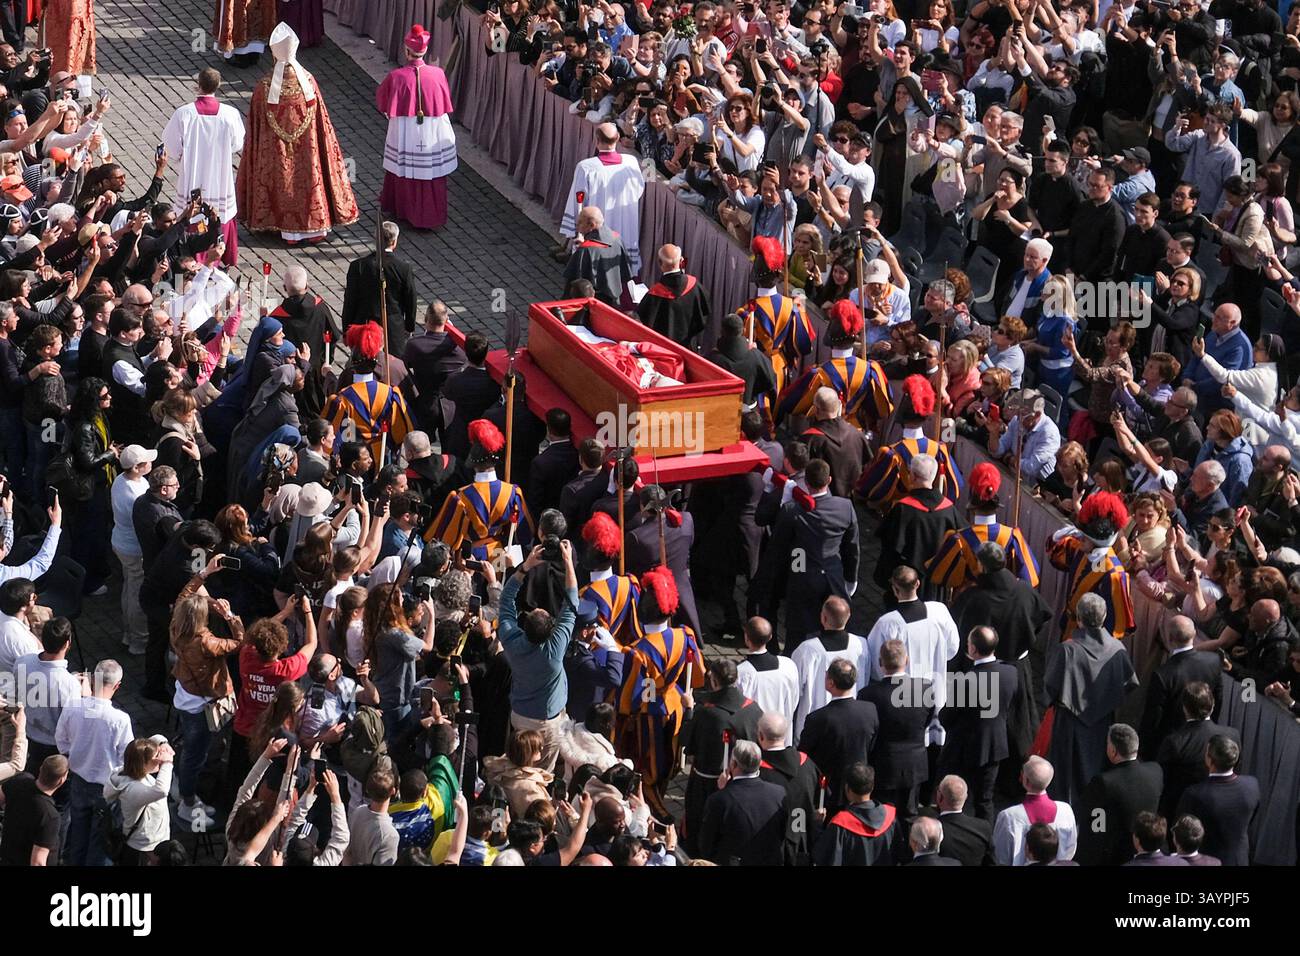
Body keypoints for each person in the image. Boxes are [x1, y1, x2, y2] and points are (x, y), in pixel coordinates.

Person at [237, 24, 359, 244]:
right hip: (307, 151)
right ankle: (315, 227)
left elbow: (255, 129)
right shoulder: (309, 83)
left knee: (282, 177)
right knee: (309, 177)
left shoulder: (264, 88)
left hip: (274, 152)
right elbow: (323, 126)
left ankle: (286, 230)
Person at [615, 565, 703, 820]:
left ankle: (658, 817)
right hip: (674, 706)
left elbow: (633, 700)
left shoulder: (638, 652)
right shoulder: (685, 635)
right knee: (668, 765)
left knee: (649, 771)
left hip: (649, 719)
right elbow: (696, 676)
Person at [1042, 593, 1140, 805]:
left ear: (1078, 619)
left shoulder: (1067, 649)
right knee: (1096, 771)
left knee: (1066, 778)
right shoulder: (1117, 649)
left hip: (1069, 723)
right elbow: (1130, 683)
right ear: (1104, 617)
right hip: (1103, 723)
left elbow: (1049, 688)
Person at [758, 460, 859, 657]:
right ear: (829, 480)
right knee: (836, 623)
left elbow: (778, 544)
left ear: (806, 482)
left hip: (802, 569)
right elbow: (851, 547)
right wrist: (850, 576)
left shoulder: (793, 510)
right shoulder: (845, 506)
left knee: (797, 630)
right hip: (832, 571)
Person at [499, 538, 578, 774]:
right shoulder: (554, 651)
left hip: (520, 716)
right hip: (548, 722)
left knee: (520, 762)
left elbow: (505, 602)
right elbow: (572, 602)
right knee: (543, 772)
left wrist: (525, 567)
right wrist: (568, 561)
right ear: (551, 630)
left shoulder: (511, 641)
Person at [375, 25, 458, 230]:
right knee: (432, 172)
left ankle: (403, 210)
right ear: (425, 51)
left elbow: (383, 101)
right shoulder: (438, 74)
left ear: (406, 51)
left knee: (403, 170)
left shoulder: (397, 76)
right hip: (432, 132)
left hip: (405, 131)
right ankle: (432, 213)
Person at [161, 69, 245, 266]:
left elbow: (171, 144)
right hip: (219, 175)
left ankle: (194, 258)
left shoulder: (184, 113)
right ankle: (220, 253)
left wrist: (182, 155)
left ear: (198, 84)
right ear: (218, 86)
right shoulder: (230, 114)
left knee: (192, 213)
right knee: (219, 212)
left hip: (193, 173)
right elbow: (237, 144)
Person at [680, 659, 764, 854]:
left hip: (707, 783)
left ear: (713, 679)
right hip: (743, 781)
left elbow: (688, 742)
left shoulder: (707, 713)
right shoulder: (753, 709)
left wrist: (689, 710)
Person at [55, 659, 134, 866]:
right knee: (100, 840)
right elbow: (127, 757)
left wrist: (73, 755)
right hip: (106, 787)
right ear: (117, 686)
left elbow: (60, 740)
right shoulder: (120, 719)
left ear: (91, 679)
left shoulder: (73, 707)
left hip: (79, 781)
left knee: (78, 832)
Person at [776, 299, 891, 433]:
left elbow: (792, 405)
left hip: (825, 431)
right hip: (855, 433)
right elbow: (881, 409)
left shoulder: (819, 373)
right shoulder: (870, 370)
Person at [856, 375, 963, 510]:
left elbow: (869, 490)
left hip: (900, 514)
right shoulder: (939, 450)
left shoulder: (892, 454)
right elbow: (956, 487)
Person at [929, 463, 1040, 590]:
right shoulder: (1012, 537)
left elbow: (937, 575)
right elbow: (1030, 577)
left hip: (969, 602)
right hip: (1002, 602)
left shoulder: (959, 539)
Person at [323, 323, 414, 469]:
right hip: (384, 451)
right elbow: (402, 428)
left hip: (355, 455)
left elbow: (335, 430)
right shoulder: (390, 394)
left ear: (352, 365)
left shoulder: (343, 398)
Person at [1047, 492, 1136, 641]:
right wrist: (1057, 536)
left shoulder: (1114, 574)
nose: (1079, 538)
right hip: (1067, 631)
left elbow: (1117, 627)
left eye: (1084, 537)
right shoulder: (1082, 549)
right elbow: (1055, 557)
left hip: (1088, 643)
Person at [1073, 723, 1164, 866]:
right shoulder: (1156, 771)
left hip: (1116, 855)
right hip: (1149, 845)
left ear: (1113, 751)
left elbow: (1090, 816)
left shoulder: (1105, 782)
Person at [560, 122, 644, 273]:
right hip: (625, 225)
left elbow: (578, 200)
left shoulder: (586, 167)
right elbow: (638, 192)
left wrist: (576, 230)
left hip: (596, 229)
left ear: (596, 140)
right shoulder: (631, 162)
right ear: (618, 138)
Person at [1139, 614, 1224, 757]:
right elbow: (1218, 699)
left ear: (1170, 638)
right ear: (1194, 634)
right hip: (1205, 742)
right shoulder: (1214, 661)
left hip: (1172, 746)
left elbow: (1153, 717)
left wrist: (1145, 750)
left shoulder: (1163, 675)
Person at [696, 739, 786, 865]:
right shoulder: (779, 793)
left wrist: (723, 791)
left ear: (733, 765)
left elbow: (706, 845)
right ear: (760, 763)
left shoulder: (718, 800)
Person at [1174, 734, 1259, 866]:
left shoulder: (1195, 794)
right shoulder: (1252, 785)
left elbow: (1182, 831)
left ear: (1209, 760)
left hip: (1206, 860)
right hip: (1239, 859)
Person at [342, 221, 419, 358]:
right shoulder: (403, 269)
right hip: (392, 329)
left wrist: (346, 330)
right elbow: (410, 300)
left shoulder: (358, 266)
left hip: (364, 327)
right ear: (394, 241)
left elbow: (349, 302)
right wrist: (409, 327)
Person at [103, 736, 175, 865]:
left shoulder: (130, 771)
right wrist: (167, 763)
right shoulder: (132, 790)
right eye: (157, 757)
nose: (160, 759)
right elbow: (162, 790)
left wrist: (163, 743)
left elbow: (152, 740)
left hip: (152, 841)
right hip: (144, 848)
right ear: (143, 764)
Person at [992, 756, 1078, 866]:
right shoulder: (1066, 810)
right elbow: (1070, 848)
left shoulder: (1009, 816)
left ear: (1025, 781)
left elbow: (1000, 855)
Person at [811, 762, 900, 866]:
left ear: (847, 789)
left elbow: (823, 857)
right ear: (872, 786)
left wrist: (817, 826)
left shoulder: (841, 824)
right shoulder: (890, 817)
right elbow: (900, 854)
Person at [735, 616, 799, 744]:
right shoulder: (789, 666)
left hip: (753, 740)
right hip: (782, 736)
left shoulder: (741, 672)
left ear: (746, 638)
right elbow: (794, 700)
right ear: (770, 637)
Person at [635, 243, 712, 348]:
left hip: (663, 349)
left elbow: (643, 323)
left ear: (660, 263)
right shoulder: (695, 286)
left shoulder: (654, 295)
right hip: (688, 348)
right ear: (681, 261)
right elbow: (704, 315)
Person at [0, 754, 67, 866]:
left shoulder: (21, 780)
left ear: (41, 768)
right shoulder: (50, 816)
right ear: (61, 780)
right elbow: (37, 862)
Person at [563, 205, 633, 307]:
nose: (577, 225)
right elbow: (625, 272)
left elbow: (575, 282)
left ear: (591, 225)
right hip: (615, 299)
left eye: (580, 222)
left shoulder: (586, 250)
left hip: (595, 303)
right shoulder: (617, 238)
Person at [919, 776, 994, 867]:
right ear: (965, 798)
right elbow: (991, 862)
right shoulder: (983, 827)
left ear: (939, 797)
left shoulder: (930, 833)